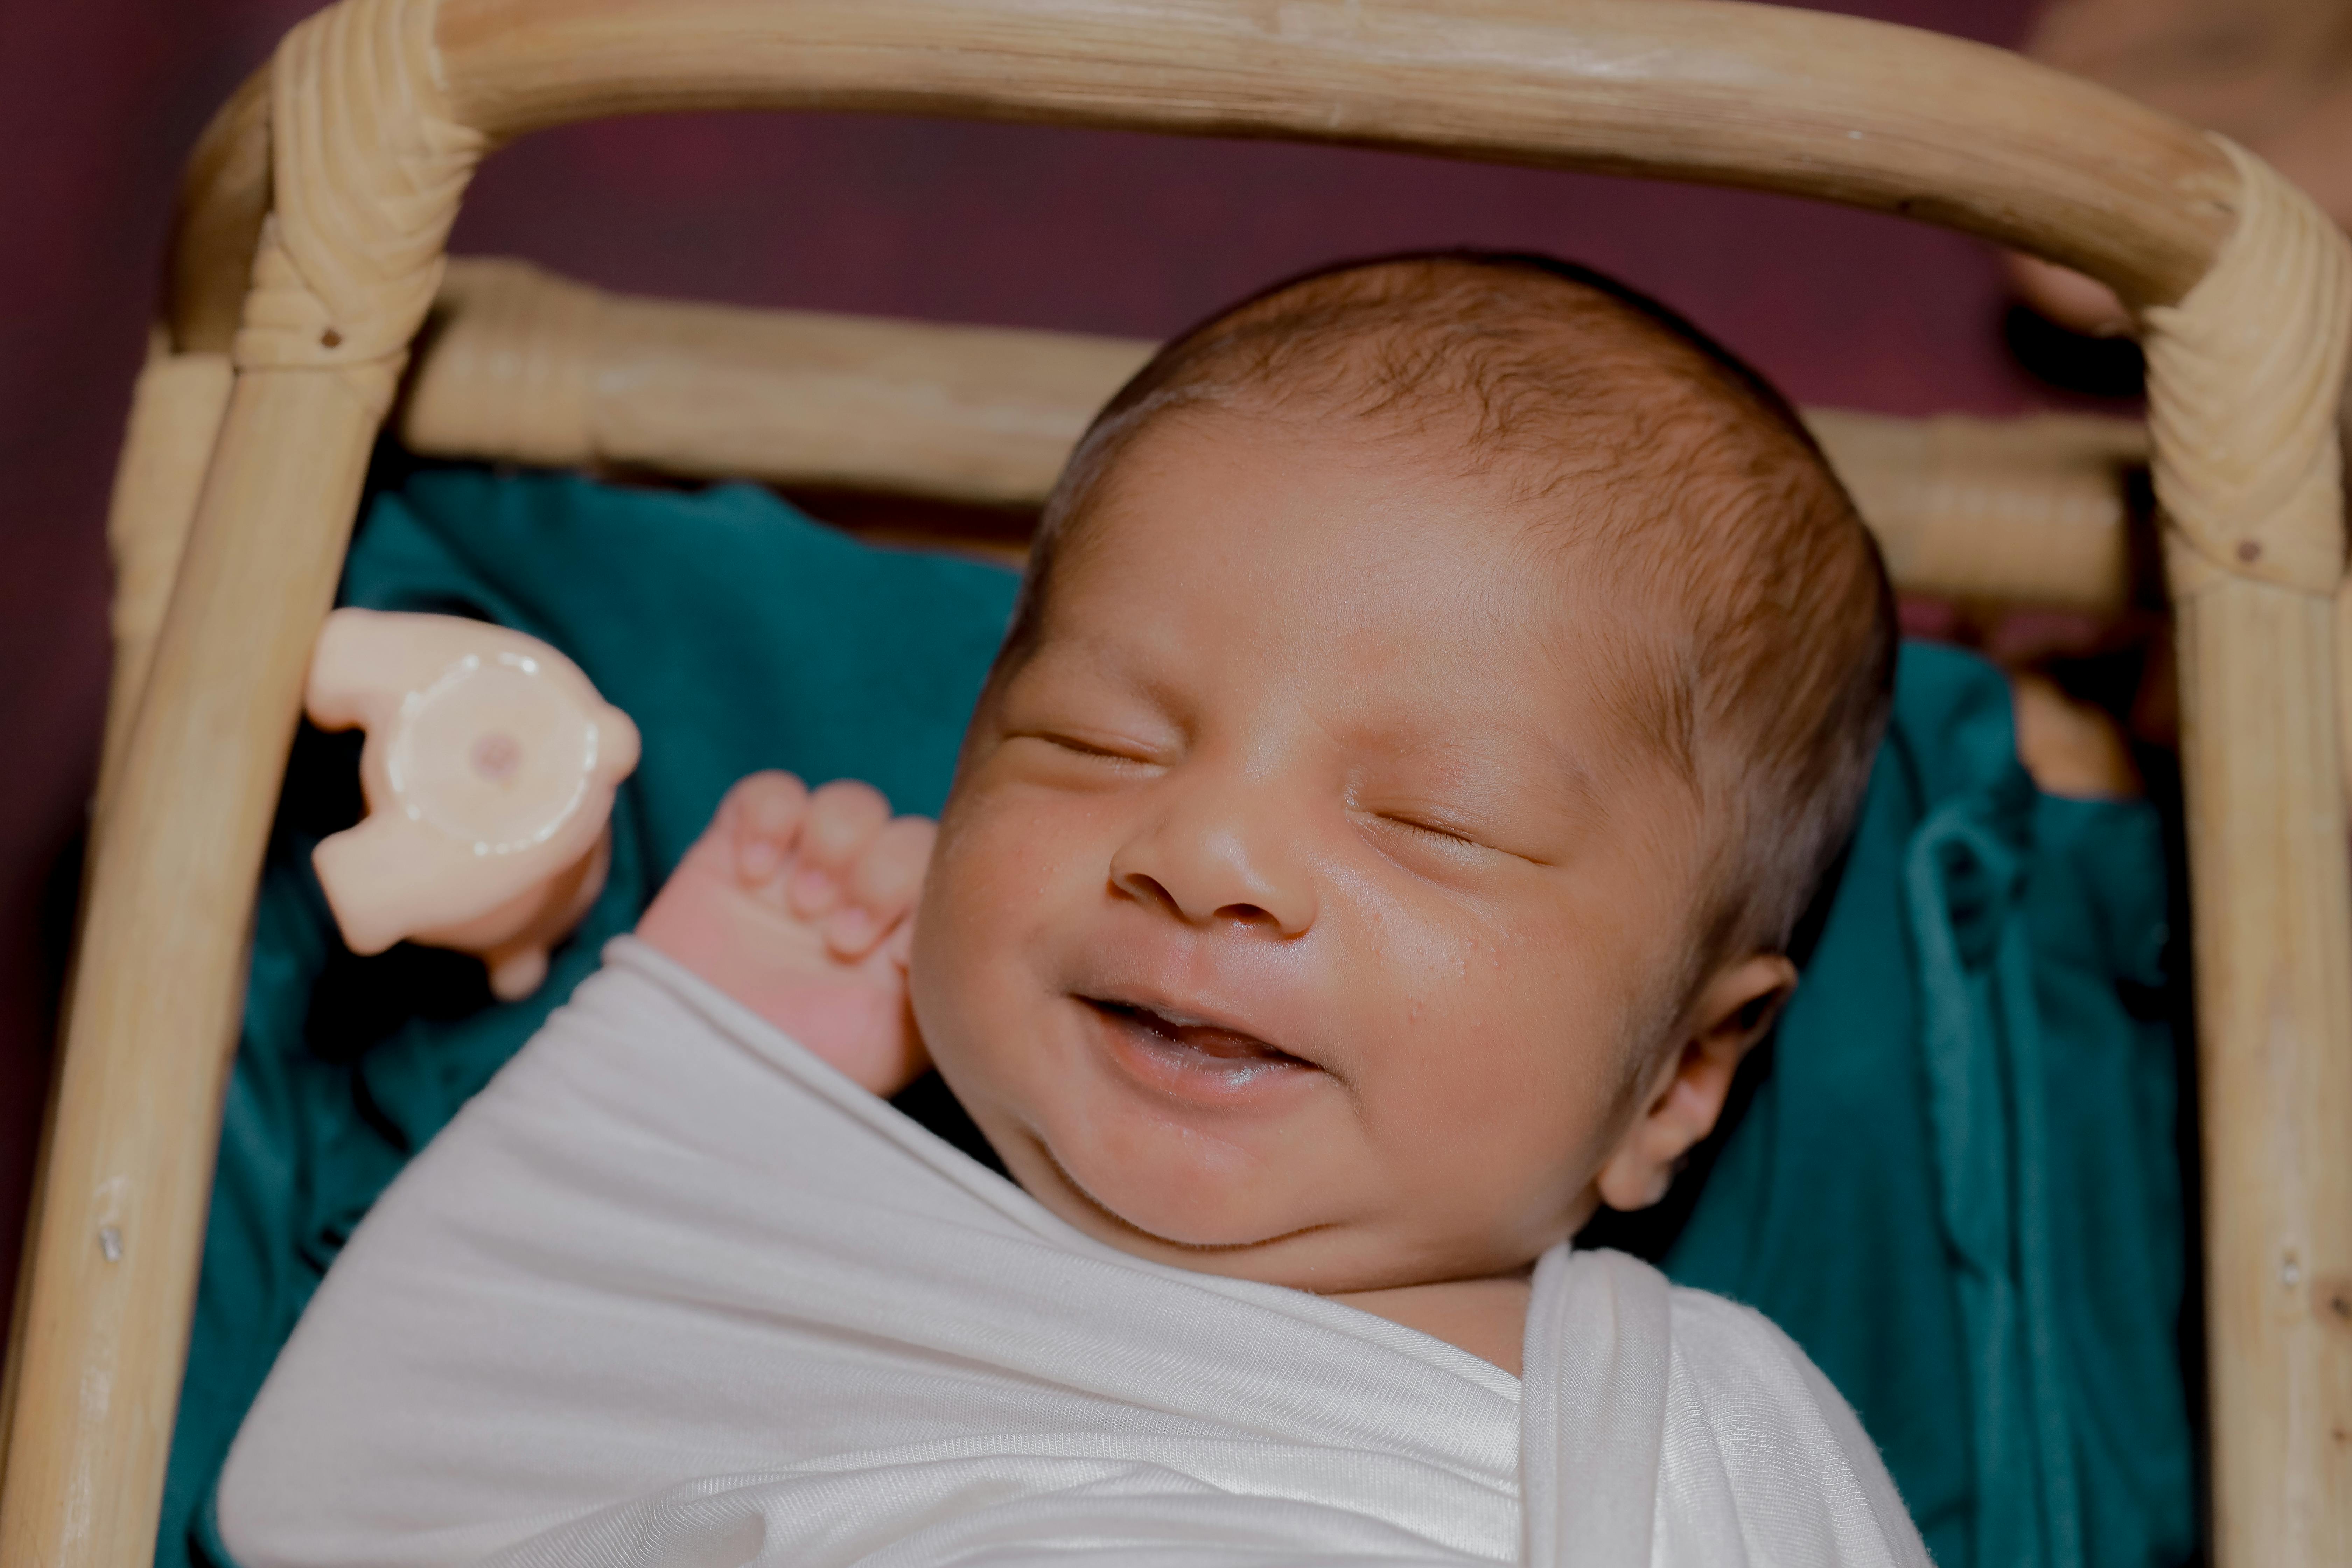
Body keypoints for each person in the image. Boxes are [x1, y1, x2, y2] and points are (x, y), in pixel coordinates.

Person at [217, 255, 1929, 1567]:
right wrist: (689, 1083)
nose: (1206, 854)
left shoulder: (1708, 1431)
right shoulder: (812, 1271)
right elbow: (348, 1489)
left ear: (1682, 1075)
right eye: (1097, 741)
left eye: (1431, 818)